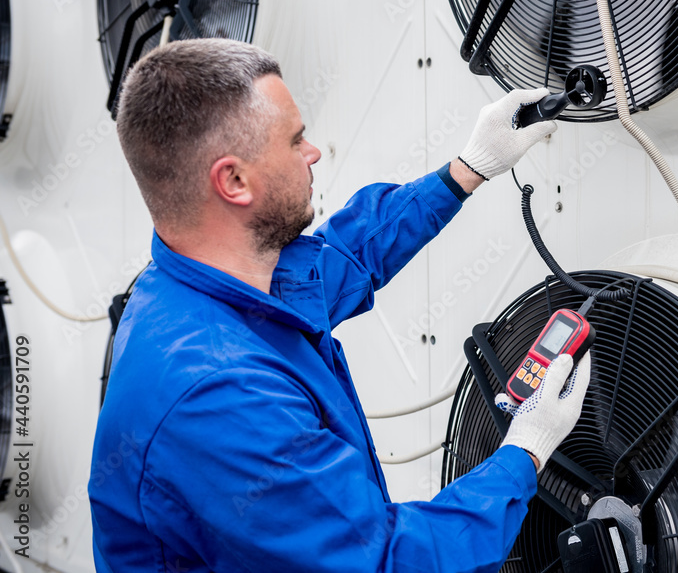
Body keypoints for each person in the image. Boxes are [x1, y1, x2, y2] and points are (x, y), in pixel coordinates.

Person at [89, 38, 591, 573]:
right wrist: (526, 452)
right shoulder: (216, 400)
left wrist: (469, 168)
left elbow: (346, 255)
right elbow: (389, 563)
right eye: (295, 140)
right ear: (233, 180)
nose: (314, 153)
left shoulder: (204, 277)